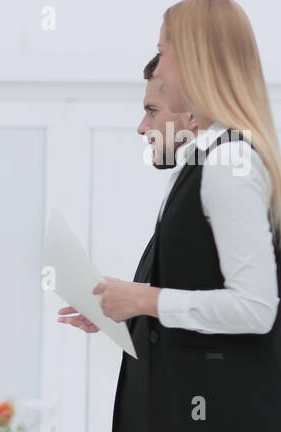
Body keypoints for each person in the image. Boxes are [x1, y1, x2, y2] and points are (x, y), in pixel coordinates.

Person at [66, 0, 281, 432]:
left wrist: (143, 298)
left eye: (164, 49)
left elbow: (255, 309)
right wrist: (128, 305)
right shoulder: (209, 162)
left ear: (198, 59)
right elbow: (202, 290)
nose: (155, 60)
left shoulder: (229, 167)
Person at [57, 53, 196, 332]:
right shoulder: (190, 183)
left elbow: (248, 308)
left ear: (191, 115)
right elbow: (199, 295)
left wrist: (140, 299)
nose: (142, 127)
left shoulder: (223, 177)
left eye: (152, 111)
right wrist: (128, 301)